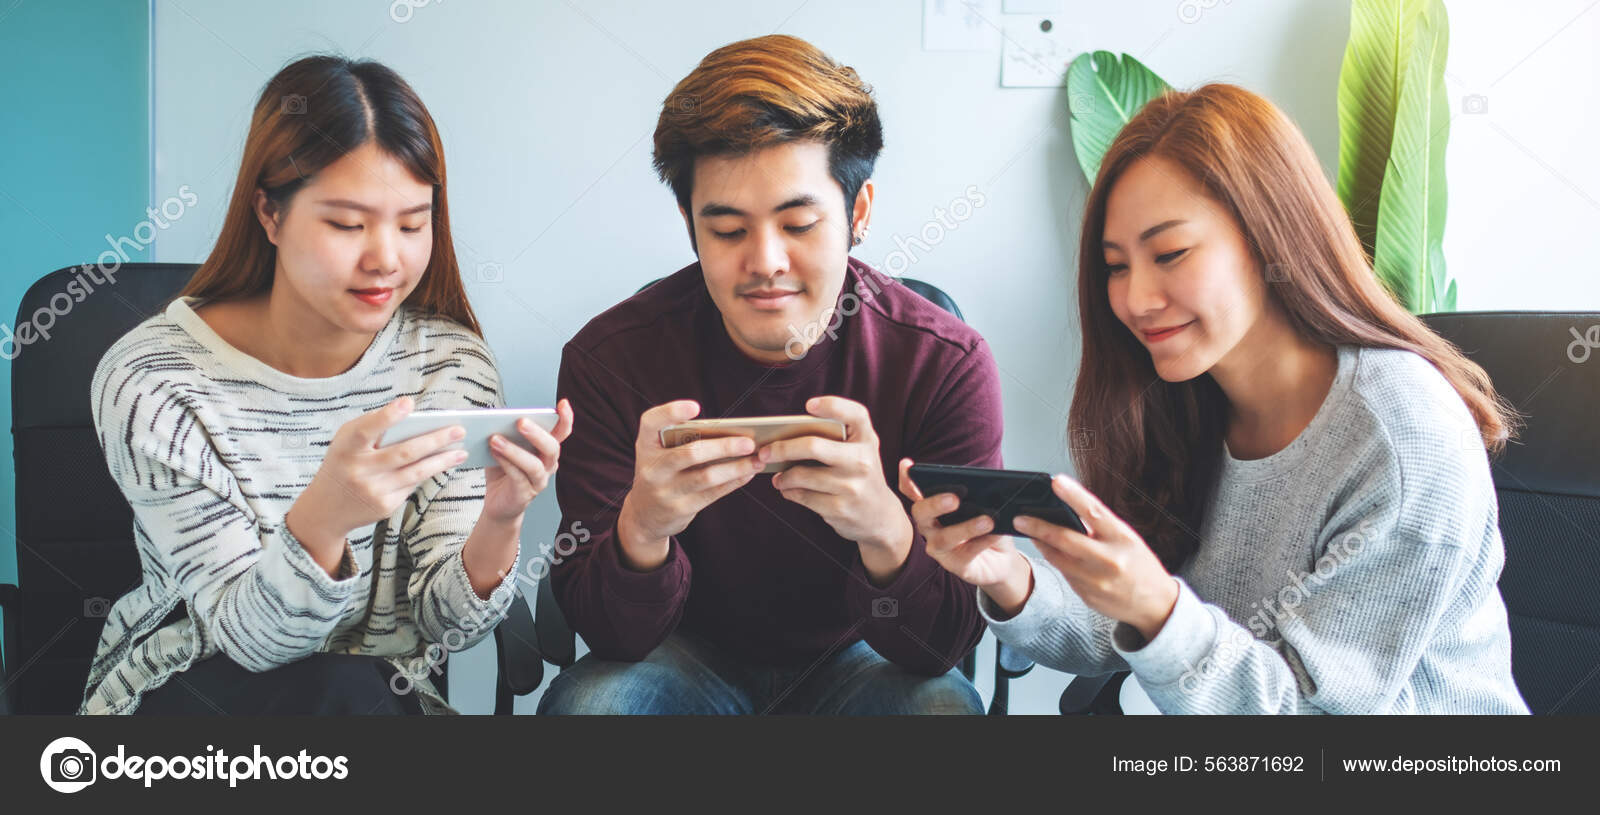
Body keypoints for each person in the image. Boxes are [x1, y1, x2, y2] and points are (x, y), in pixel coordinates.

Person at [902, 83, 1528, 714]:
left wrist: (1156, 606)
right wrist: (1013, 579)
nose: (1136, 300)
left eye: (1170, 253)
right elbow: (1146, 639)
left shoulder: (1401, 433)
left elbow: (1310, 714)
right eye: (1116, 266)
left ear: (1269, 237)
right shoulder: (1191, 402)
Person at [81, 56, 572, 715]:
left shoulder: (450, 366)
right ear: (271, 214)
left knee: (350, 689)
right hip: (192, 692)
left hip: (377, 702)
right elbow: (250, 644)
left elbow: (448, 628)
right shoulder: (153, 379)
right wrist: (324, 517)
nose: (386, 259)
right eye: (347, 224)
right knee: (331, 686)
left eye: (412, 223)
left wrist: (502, 520)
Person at [538, 35, 1002, 715]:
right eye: (727, 231)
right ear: (689, 223)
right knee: (595, 708)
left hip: (865, 654)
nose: (765, 262)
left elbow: (943, 644)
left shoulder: (943, 362)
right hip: (680, 650)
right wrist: (643, 528)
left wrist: (883, 528)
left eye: (799, 223)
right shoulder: (610, 360)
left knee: (941, 712)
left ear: (859, 212)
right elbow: (610, 637)